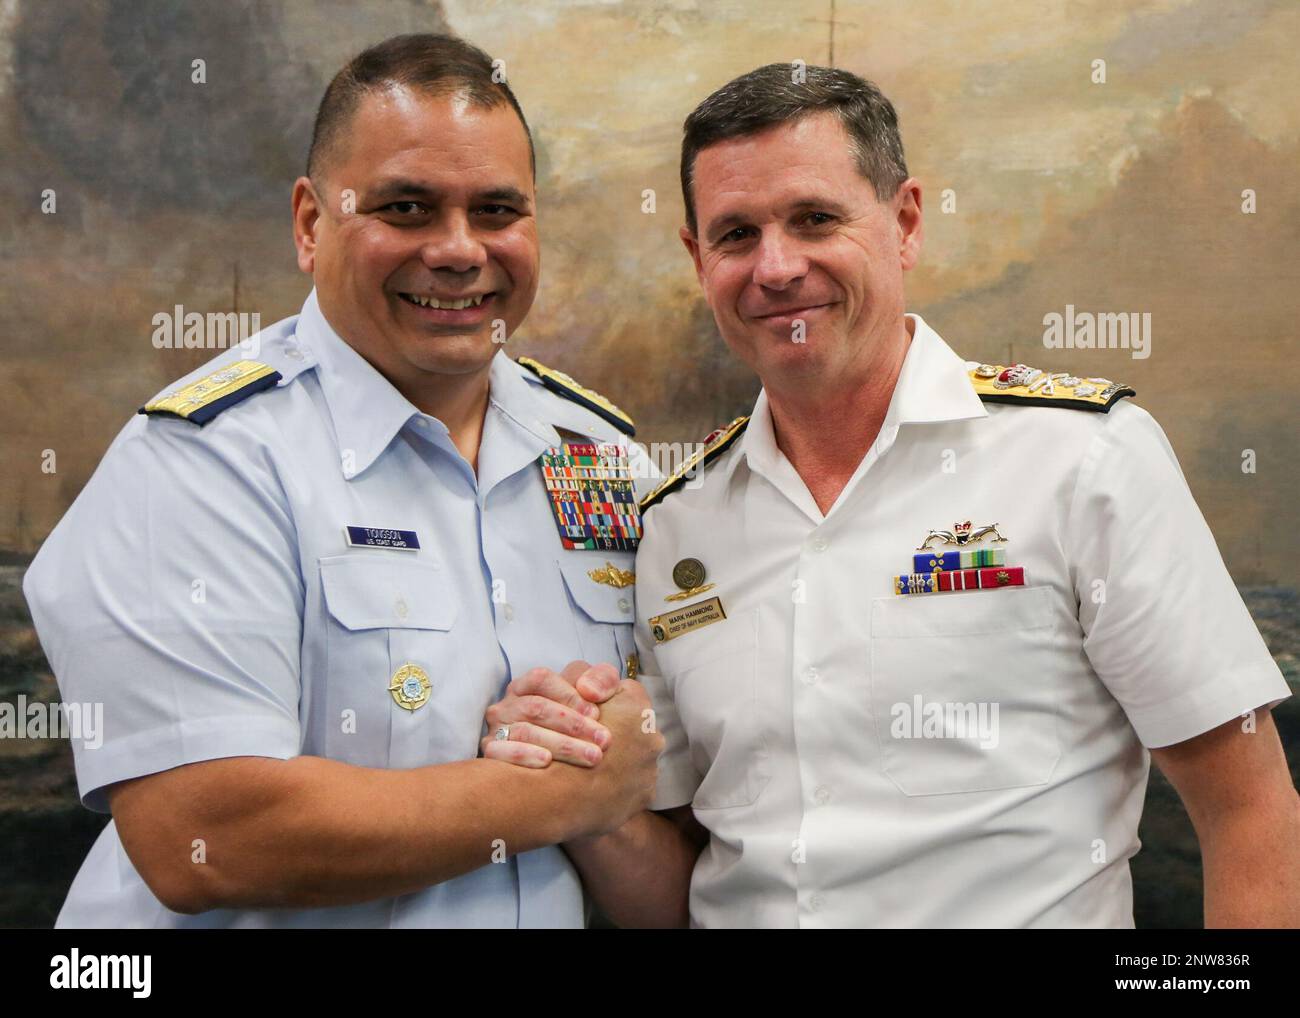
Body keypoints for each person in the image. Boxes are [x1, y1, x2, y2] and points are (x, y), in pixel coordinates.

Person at [488, 63, 1299, 928]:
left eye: (815, 219)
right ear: (698, 259)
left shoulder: (1081, 459)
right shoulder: (678, 526)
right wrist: (574, 785)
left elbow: (1249, 809)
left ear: (904, 222)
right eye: (735, 234)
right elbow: (682, 882)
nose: (776, 267)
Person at [22, 33, 666, 929]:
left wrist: (605, 798)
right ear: (310, 223)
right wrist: (576, 794)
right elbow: (206, 837)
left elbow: (663, 847)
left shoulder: (598, 453)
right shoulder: (205, 462)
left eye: (496, 211)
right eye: (405, 208)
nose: (457, 250)